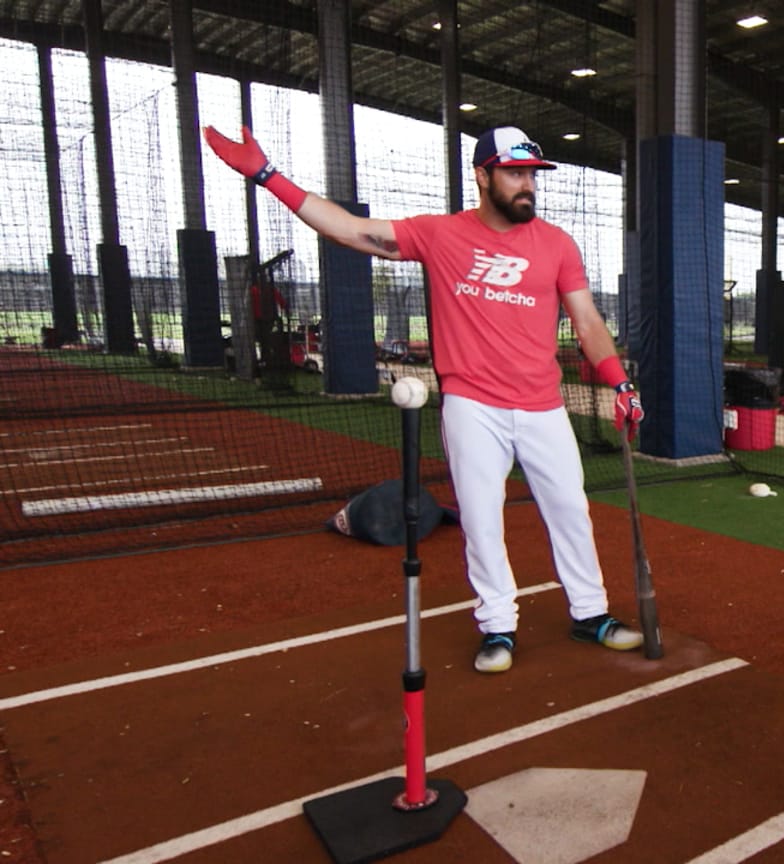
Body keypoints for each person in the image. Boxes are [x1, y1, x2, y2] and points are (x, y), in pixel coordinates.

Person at [203, 123, 648, 672]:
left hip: (543, 405)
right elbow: (350, 231)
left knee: (571, 512)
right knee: (483, 520)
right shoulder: (441, 235)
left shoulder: (556, 245)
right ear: (483, 176)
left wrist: (619, 381)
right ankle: (498, 627)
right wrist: (268, 176)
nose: (527, 184)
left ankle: (590, 613)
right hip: (473, 405)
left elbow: (586, 320)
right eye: (514, 173)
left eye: (532, 174)